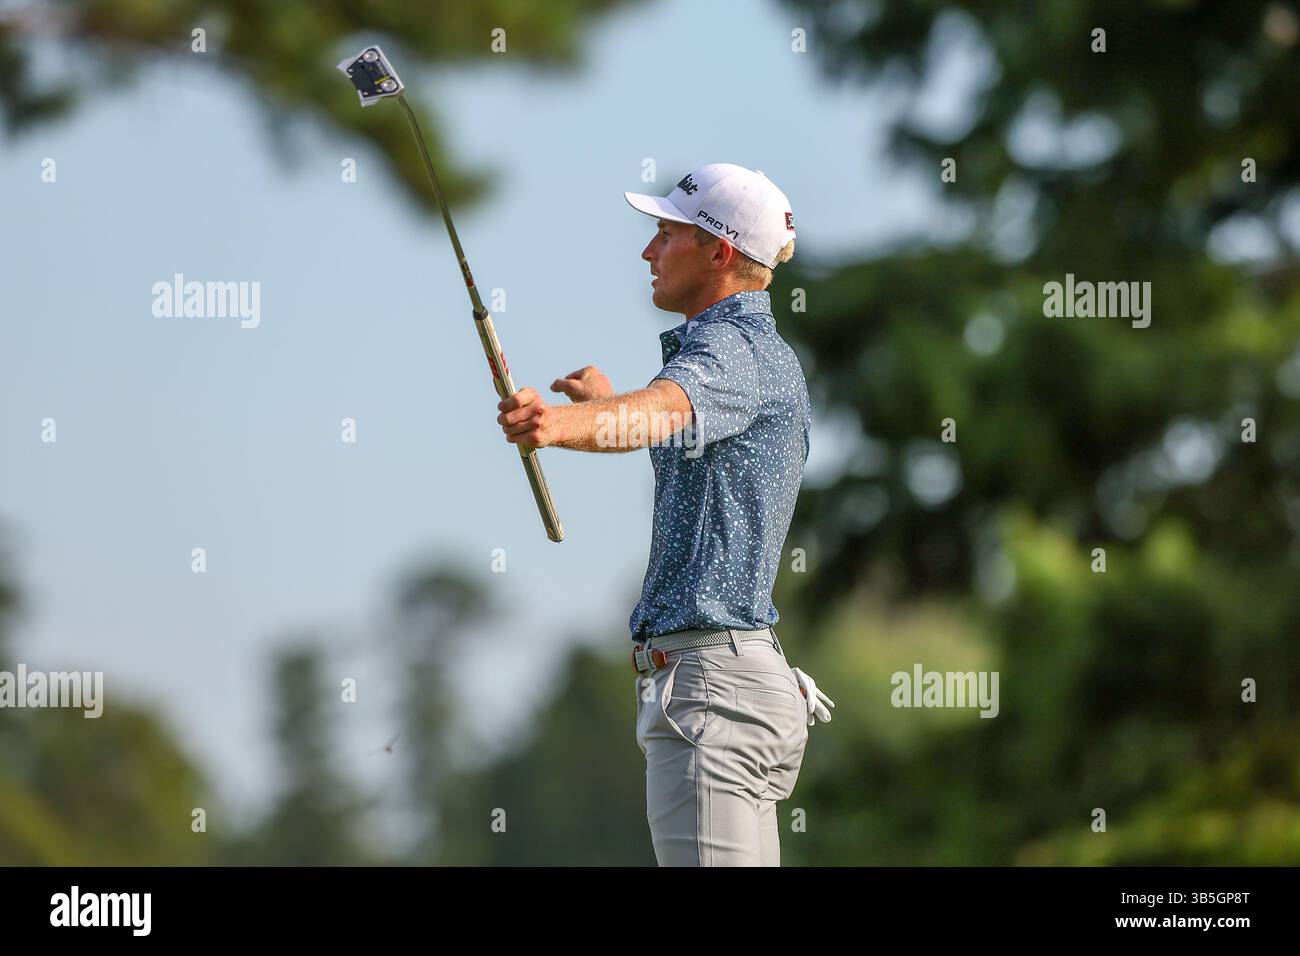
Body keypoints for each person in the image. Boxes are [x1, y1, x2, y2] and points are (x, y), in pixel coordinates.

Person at [496, 162, 834, 866]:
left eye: (664, 235)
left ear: (719, 252)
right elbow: (669, 432)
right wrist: (597, 410)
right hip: (728, 683)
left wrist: (556, 425)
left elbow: (661, 413)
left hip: (713, 690)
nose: (647, 252)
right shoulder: (737, 353)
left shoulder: (733, 350)